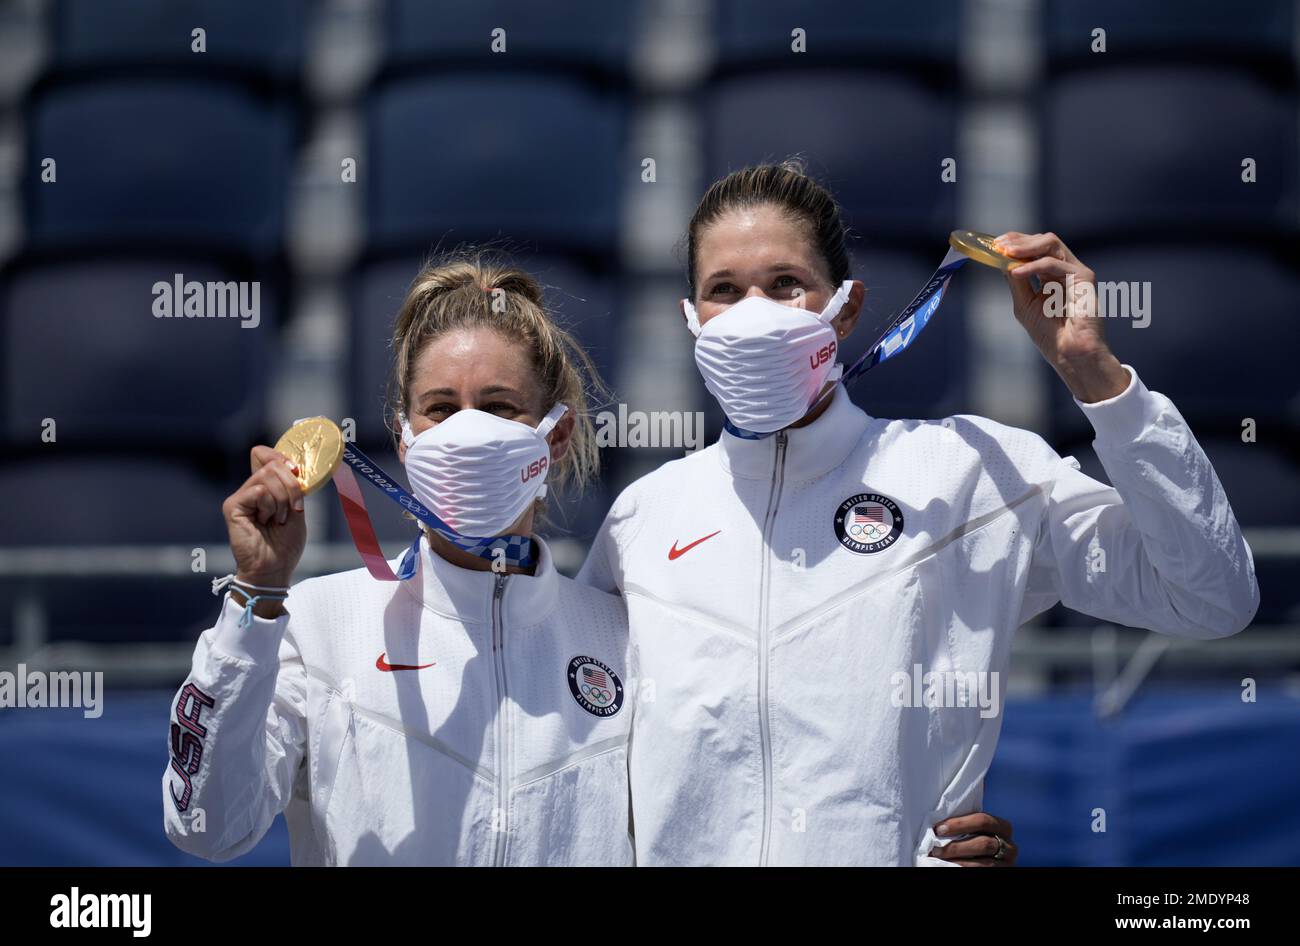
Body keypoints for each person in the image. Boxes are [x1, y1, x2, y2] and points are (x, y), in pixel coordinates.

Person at [577, 160, 1259, 866]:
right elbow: (577, 751)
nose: (754, 313)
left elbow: (1210, 597)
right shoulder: (643, 517)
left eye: (785, 283)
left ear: (845, 308)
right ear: (690, 318)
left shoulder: (971, 471)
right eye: (724, 289)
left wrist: (1096, 375)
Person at [163, 256, 634, 865]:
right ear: (404, 440)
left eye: (498, 407)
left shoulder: (620, 636)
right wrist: (255, 595)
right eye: (440, 408)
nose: (467, 433)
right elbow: (205, 827)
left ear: (556, 435)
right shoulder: (319, 623)